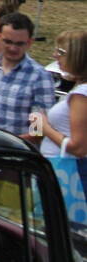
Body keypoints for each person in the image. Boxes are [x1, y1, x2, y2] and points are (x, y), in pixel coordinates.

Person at [0, 13, 55, 140]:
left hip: (18, 153)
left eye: (20, 44)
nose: (13, 48)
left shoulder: (39, 76)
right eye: (8, 42)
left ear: (29, 43)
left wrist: (10, 143)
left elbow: (39, 129)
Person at [30, 30, 87, 192]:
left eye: (61, 52)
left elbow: (79, 147)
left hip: (68, 172)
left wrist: (45, 127)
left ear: (78, 56)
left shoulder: (81, 95)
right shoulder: (79, 90)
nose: (55, 56)